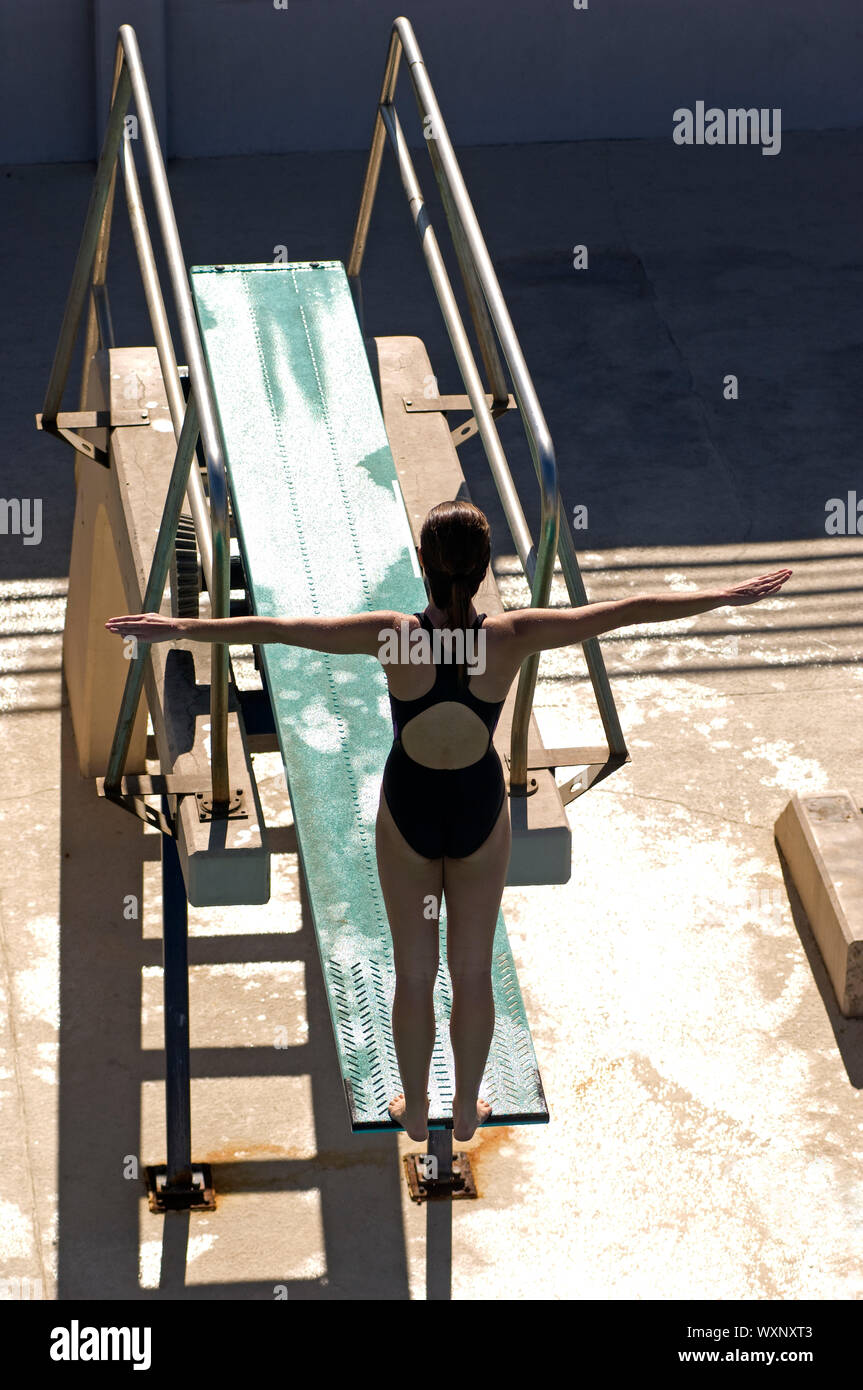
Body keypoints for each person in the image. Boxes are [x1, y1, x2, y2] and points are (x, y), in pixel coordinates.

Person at [105, 499, 792, 1143]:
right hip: (476, 810)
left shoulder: (394, 637)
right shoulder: (516, 635)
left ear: (422, 563)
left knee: (411, 970)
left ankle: (413, 1110)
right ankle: (465, 1109)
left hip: (408, 810)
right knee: (470, 969)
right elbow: (623, 610)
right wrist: (723, 596)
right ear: (485, 565)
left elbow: (283, 630)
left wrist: (181, 627)